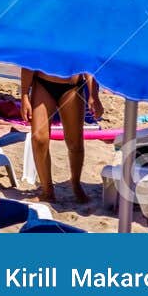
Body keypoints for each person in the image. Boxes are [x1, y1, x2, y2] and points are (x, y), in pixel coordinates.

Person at [19, 67, 101, 202]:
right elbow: (30, 57)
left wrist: (94, 94)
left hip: (72, 87)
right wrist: (24, 95)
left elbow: (87, 60)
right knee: (39, 139)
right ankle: (47, 190)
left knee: (75, 143)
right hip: (42, 83)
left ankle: (75, 183)